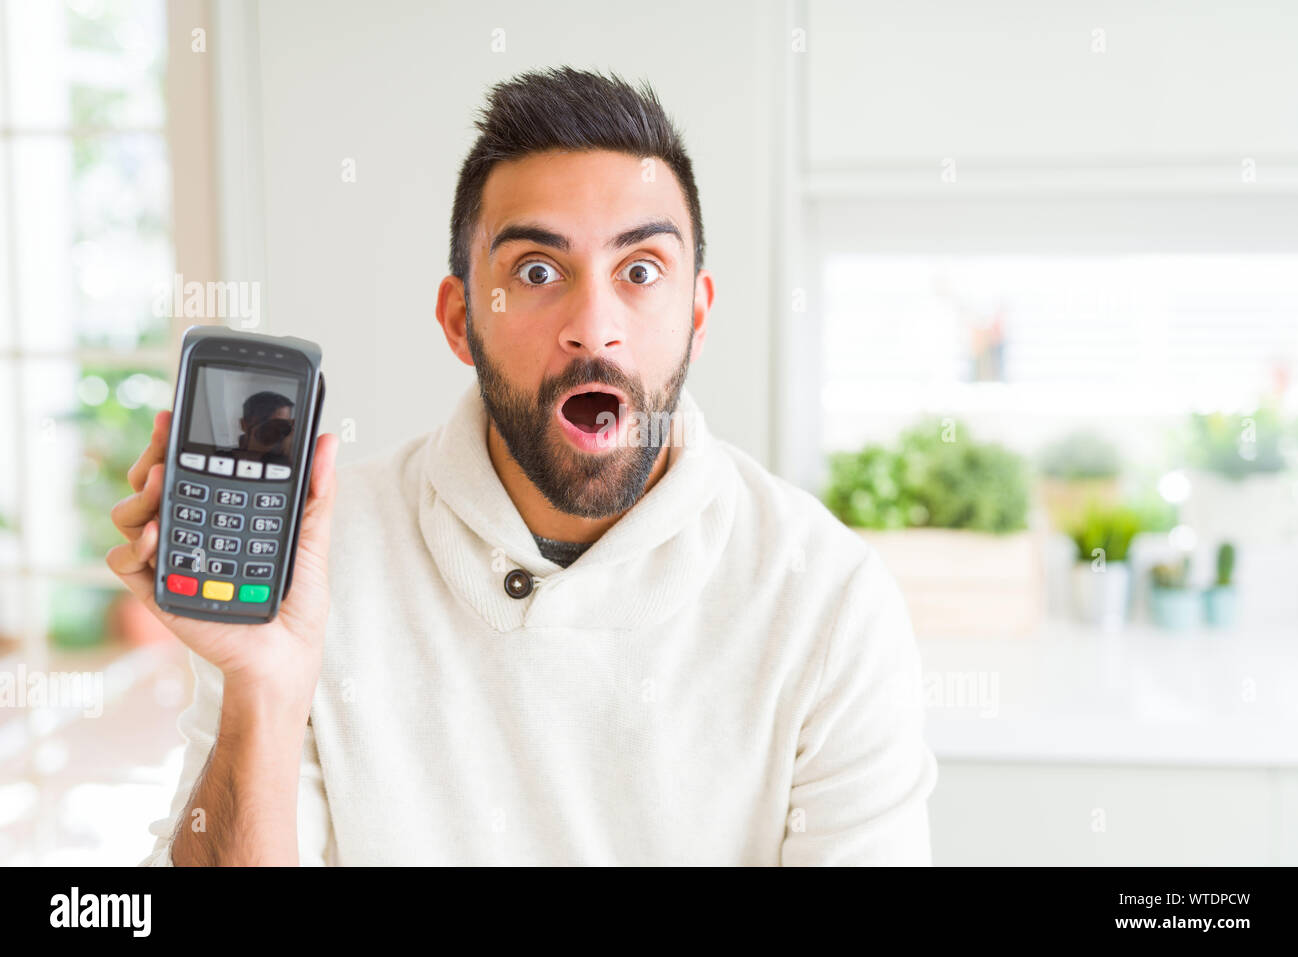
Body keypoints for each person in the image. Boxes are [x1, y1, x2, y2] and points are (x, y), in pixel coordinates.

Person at [107, 66, 937, 866]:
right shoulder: (312, 568)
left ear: (697, 312)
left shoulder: (828, 599)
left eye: (640, 270)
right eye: (537, 271)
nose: (594, 326)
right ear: (460, 319)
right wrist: (263, 689)